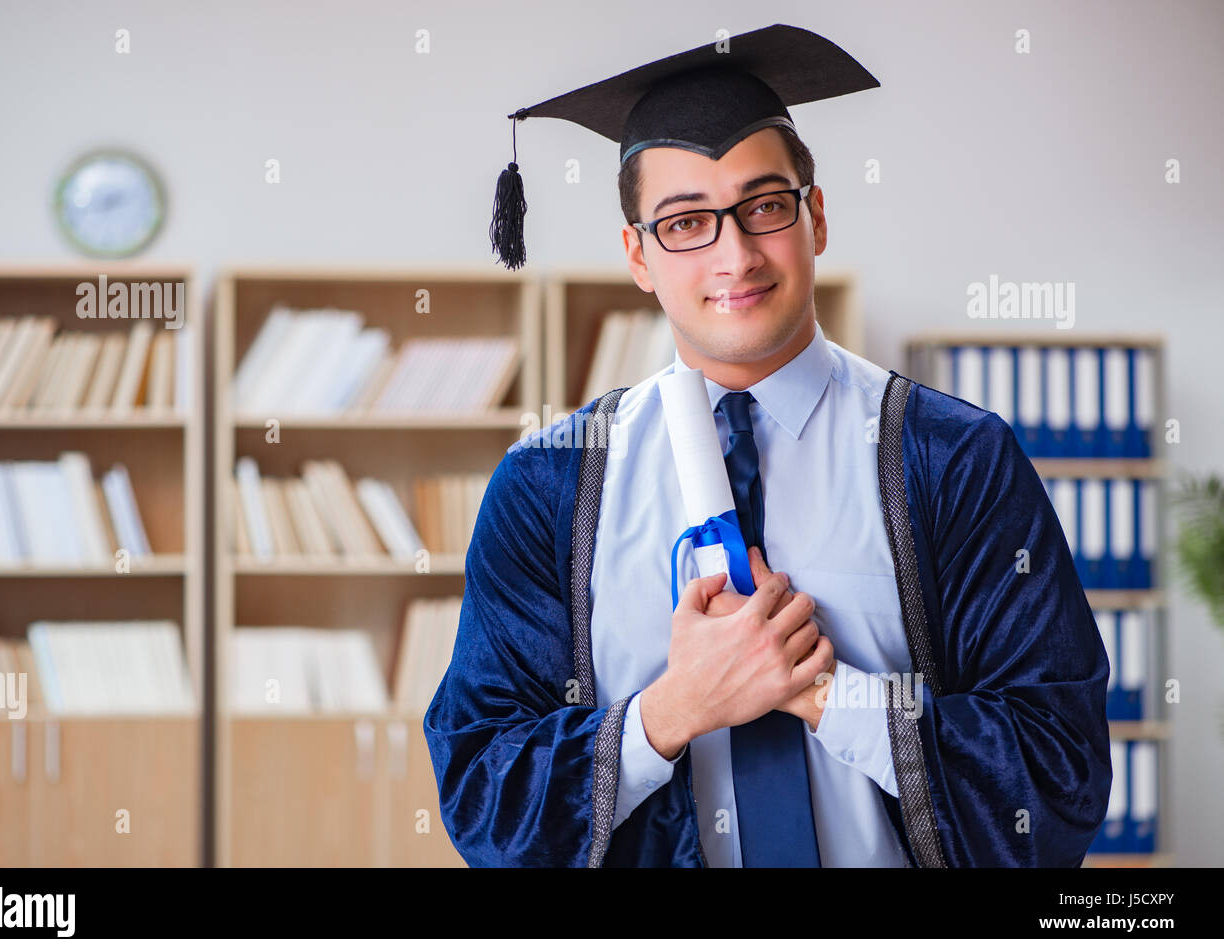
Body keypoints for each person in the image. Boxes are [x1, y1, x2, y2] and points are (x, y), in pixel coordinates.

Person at [425, 24, 1112, 867]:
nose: (736, 253)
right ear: (638, 254)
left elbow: (1059, 771)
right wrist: (673, 711)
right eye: (685, 223)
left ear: (815, 215)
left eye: (765, 206)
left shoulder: (955, 459)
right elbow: (481, 790)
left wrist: (826, 692)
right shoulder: (548, 487)